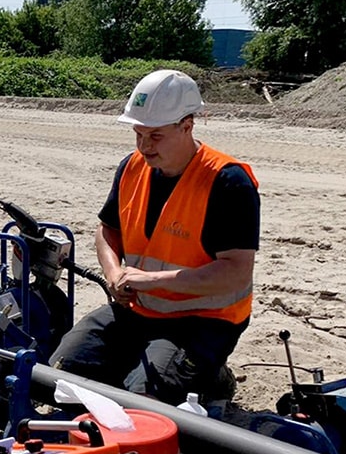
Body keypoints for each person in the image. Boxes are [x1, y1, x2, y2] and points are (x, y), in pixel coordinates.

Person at [50, 69, 260, 407]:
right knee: (62, 375)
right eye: (138, 134)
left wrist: (148, 280)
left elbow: (236, 272)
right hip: (138, 310)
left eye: (156, 136)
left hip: (203, 322)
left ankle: (212, 377)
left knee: (143, 402)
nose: (144, 146)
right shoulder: (132, 167)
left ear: (187, 126)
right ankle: (151, 365)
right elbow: (107, 230)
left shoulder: (228, 182)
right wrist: (114, 273)